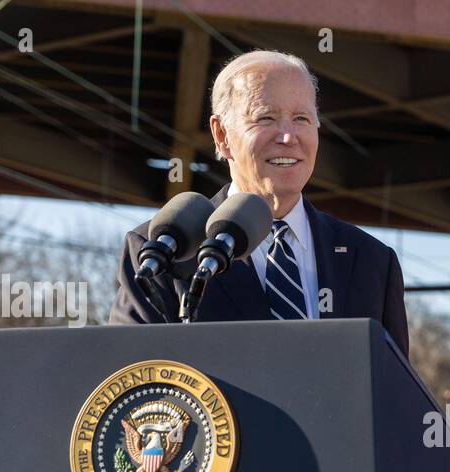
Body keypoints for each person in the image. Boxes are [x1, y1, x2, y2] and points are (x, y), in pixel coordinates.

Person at [107, 49, 409, 356]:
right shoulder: (164, 249)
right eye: (266, 117)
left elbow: (396, 396)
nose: (289, 137)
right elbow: (130, 387)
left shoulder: (372, 261)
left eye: (302, 119)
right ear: (222, 135)